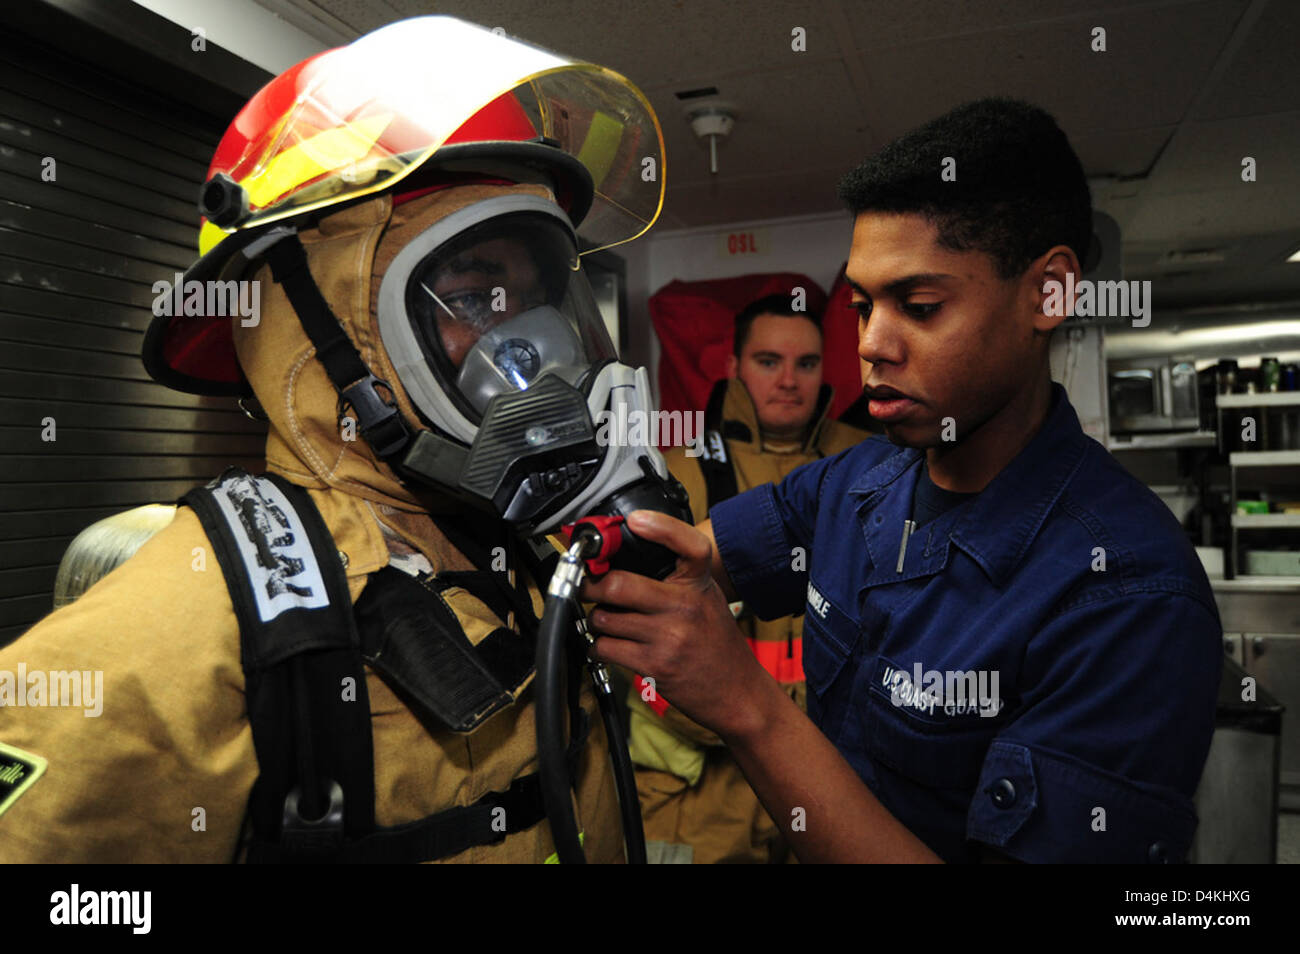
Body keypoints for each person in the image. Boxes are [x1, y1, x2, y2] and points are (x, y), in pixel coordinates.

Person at [0, 16, 669, 863]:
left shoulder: (531, 553)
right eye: (473, 291)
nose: (538, 346)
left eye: (537, 295)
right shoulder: (167, 645)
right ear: (313, 326)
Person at [584, 98, 1223, 863]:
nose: (871, 345)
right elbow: (701, 549)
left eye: (919, 306)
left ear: (1048, 292)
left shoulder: (1128, 595)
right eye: (860, 306)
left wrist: (745, 704)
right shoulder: (858, 480)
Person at [628, 294, 867, 863]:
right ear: (733, 367)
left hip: (835, 785)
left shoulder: (870, 467)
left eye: (806, 364)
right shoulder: (671, 474)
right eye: (768, 361)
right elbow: (632, 642)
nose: (789, 380)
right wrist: (742, 716)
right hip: (699, 794)